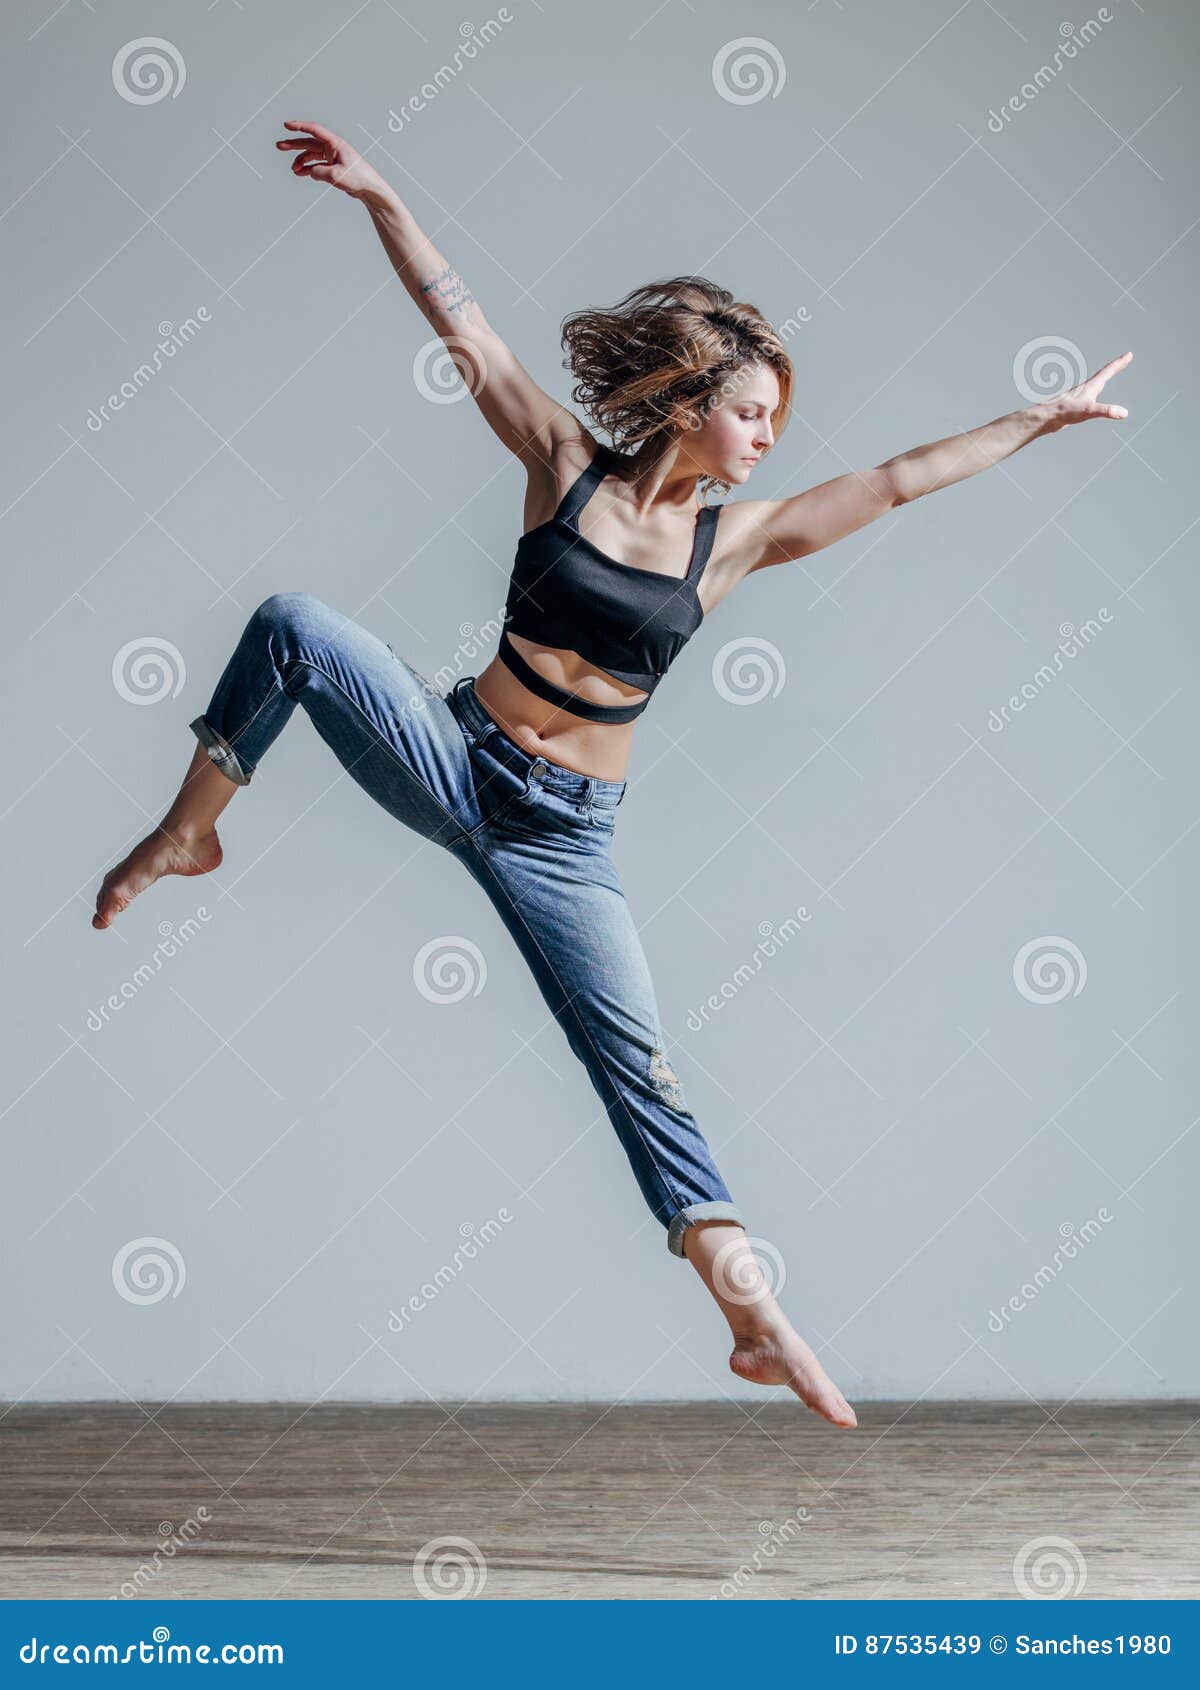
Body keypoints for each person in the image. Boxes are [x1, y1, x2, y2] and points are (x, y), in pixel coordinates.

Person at [92, 120, 1133, 1431]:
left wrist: (1038, 418)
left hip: (562, 843)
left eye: (774, 420)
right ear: (691, 400)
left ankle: (757, 1321)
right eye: (752, 410)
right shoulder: (560, 464)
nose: (768, 437)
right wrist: (381, 194)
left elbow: (894, 483)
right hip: (454, 754)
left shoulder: (734, 541)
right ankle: (190, 832)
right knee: (294, 622)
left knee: (641, 1072)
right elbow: (454, 318)